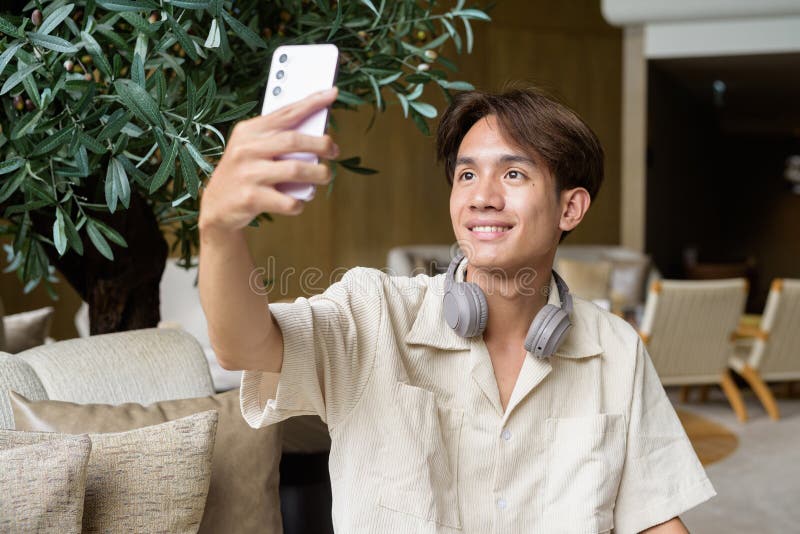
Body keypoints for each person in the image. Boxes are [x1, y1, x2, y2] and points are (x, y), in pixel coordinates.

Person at [197, 84, 715, 533]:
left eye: (514, 175)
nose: (481, 197)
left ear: (570, 207)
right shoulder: (374, 312)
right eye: (467, 175)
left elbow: (653, 517)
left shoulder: (616, 348)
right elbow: (243, 346)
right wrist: (219, 229)